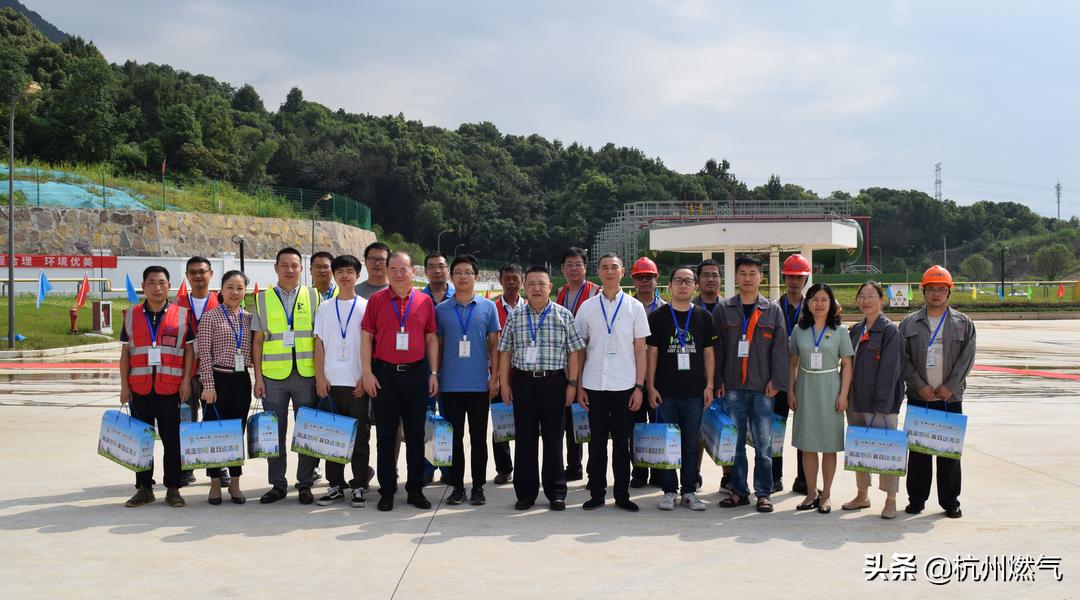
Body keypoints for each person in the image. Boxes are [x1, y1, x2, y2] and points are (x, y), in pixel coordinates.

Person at [498, 265, 585, 511]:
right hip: (523, 382)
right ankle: (525, 494)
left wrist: (572, 384)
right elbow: (505, 352)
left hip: (554, 382)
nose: (536, 288)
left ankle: (556, 492)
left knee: (554, 439)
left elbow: (574, 353)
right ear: (525, 287)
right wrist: (504, 383)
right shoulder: (516, 315)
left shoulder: (563, 315)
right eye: (532, 284)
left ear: (550, 287)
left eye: (541, 284)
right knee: (525, 440)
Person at [361, 251, 440, 512]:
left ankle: (415, 489)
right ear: (387, 271)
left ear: (412, 272)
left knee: (416, 435)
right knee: (385, 436)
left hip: (416, 375)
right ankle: (387, 490)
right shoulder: (376, 300)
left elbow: (431, 338)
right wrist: (367, 372)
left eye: (402, 269)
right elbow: (366, 337)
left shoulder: (424, 301)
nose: (397, 273)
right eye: (392, 268)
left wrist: (433, 373)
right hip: (384, 375)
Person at [574, 254, 650, 512]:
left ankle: (621, 494)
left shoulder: (634, 307)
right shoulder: (587, 308)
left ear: (622, 272)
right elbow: (580, 349)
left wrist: (639, 387)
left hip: (625, 385)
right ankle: (596, 493)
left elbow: (640, 350)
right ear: (598, 272)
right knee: (596, 443)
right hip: (594, 384)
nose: (609, 272)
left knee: (621, 443)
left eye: (614, 267)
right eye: (604, 268)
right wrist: (579, 385)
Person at [713, 255, 789, 513]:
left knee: (763, 445)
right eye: (743, 273)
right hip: (733, 386)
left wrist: (777, 381)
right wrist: (718, 381)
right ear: (736, 277)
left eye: (752, 273)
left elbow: (780, 349)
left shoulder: (772, 310)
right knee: (735, 446)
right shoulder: (724, 309)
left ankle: (764, 493)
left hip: (762, 388)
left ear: (761, 278)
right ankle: (739, 491)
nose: (747, 278)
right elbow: (717, 349)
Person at [900, 265, 976, 519]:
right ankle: (916, 500)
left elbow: (966, 359)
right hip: (919, 396)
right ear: (923, 291)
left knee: (949, 453)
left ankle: (950, 501)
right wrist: (919, 385)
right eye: (931, 289)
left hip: (949, 398)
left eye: (941, 289)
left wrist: (949, 386)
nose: (936, 294)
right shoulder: (909, 323)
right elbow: (903, 359)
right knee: (919, 452)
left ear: (949, 292)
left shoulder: (963, 324)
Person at [251, 247, 322, 505]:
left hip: (306, 375)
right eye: (285, 265)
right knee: (274, 433)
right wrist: (258, 378)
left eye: (294, 265)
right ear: (276, 268)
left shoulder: (314, 296)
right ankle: (278, 484)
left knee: (306, 432)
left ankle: (305, 483)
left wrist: (321, 376)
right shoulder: (262, 299)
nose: (290, 270)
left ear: (302, 269)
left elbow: (320, 339)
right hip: (273, 377)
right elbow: (257, 342)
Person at [119, 266, 195, 508]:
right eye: (151, 283)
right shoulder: (131, 315)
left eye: (162, 282)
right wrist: (124, 386)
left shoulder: (181, 315)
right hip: (139, 389)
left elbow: (189, 351)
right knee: (142, 439)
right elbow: (125, 353)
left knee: (172, 440)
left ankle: (173, 488)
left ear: (169, 286)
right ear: (143, 286)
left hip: (170, 388)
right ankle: (144, 488)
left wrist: (186, 381)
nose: (157, 288)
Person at [646, 266, 716, 511]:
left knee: (690, 443)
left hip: (694, 392)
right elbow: (652, 354)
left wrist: (710, 385)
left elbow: (709, 353)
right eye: (678, 280)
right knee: (668, 442)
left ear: (695, 286)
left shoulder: (704, 317)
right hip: (664, 392)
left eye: (688, 281)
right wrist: (650, 386)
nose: (683, 285)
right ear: (669, 285)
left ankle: (688, 491)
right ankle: (668, 491)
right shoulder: (658, 317)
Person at [436, 255, 502, 506]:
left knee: (478, 439)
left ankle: (478, 487)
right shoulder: (441, 310)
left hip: (479, 385)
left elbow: (494, 344)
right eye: (458, 272)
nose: (463, 277)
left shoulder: (488, 307)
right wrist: (436, 376)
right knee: (453, 439)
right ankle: (456, 487)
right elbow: (438, 345)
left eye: (468, 272)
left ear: (476, 276)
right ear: (451, 277)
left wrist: (495, 377)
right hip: (450, 385)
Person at [787, 283, 854, 514]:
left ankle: (826, 495)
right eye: (815, 299)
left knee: (828, 445)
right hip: (805, 388)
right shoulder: (799, 330)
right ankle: (811, 493)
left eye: (824, 299)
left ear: (832, 303)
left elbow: (847, 364)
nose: (819, 304)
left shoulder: (841, 331)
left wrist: (843, 394)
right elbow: (793, 363)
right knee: (808, 445)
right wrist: (791, 390)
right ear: (808, 303)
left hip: (830, 388)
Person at [842, 281, 904, 519]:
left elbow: (891, 370)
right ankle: (862, 494)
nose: (866, 300)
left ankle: (891, 499)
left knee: (887, 450)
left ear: (882, 300)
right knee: (860, 448)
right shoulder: (855, 330)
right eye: (862, 296)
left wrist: (882, 405)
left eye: (871, 296)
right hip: (856, 400)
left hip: (880, 403)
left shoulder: (889, 331)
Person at [313, 255, 371, 508]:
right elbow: (319, 344)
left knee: (360, 437)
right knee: (332, 438)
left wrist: (365, 376)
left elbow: (372, 344)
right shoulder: (325, 307)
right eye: (340, 271)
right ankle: (335, 485)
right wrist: (320, 377)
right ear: (334, 276)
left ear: (358, 275)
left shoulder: (367, 306)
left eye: (349, 271)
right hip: (331, 383)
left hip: (357, 383)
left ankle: (359, 486)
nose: (345, 276)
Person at [196, 270, 253, 505]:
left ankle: (235, 484)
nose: (235, 292)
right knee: (215, 434)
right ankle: (215, 484)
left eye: (240, 288)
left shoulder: (249, 318)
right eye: (230, 287)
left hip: (241, 381)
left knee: (236, 433)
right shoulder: (210, 317)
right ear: (221, 290)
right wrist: (208, 385)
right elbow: (204, 355)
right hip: (217, 381)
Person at [555, 247, 599, 482]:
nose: (573, 269)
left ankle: (593, 471)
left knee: (589, 419)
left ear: (585, 267)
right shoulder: (560, 292)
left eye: (578, 264)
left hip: (589, 364)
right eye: (569, 264)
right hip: (564, 366)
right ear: (562, 269)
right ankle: (573, 465)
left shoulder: (595, 292)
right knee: (569, 417)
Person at [176, 256, 220, 486]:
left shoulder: (221, 301)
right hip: (187, 372)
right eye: (192, 272)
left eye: (202, 271)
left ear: (210, 274)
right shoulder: (177, 304)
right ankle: (186, 467)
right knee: (186, 420)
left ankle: (219, 467)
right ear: (187, 276)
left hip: (215, 372)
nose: (198, 276)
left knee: (215, 419)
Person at [773, 254, 811, 494]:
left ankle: (803, 478)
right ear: (784, 278)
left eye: (799, 277)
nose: (794, 281)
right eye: (790, 277)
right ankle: (774, 477)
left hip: (805, 377)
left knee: (804, 430)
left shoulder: (815, 307)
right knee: (775, 429)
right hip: (778, 378)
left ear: (806, 279)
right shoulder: (772, 308)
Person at [630, 256, 665, 488]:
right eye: (640, 277)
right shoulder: (625, 308)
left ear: (656, 279)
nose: (645, 281)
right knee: (635, 427)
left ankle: (659, 472)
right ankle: (639, 472)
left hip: (659, 377)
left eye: (649, 277)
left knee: (659, 425)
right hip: (632, 377)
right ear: (633, 280)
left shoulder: (666, 309)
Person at [489, 264, 524, 484]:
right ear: (500, 281)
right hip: (498, 377)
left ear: (522, 281)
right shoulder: (491, 308)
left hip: (523, 376)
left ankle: (523, 467)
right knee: (501, 423)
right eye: (507, 278)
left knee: (525, 424)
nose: (511, 282)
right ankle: (504, 468)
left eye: (515, 278)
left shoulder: (530, 306)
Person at [421, 252, 454, 482]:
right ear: (425, 272)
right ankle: (426, 469)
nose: (436, 270)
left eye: (441, 266)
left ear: (447, 270)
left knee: (449, 421)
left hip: (452, 369)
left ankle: (448, 469)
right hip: (423, 370)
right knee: (426, 420)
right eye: (431, 266)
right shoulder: (417, 299)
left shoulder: (458, 297)